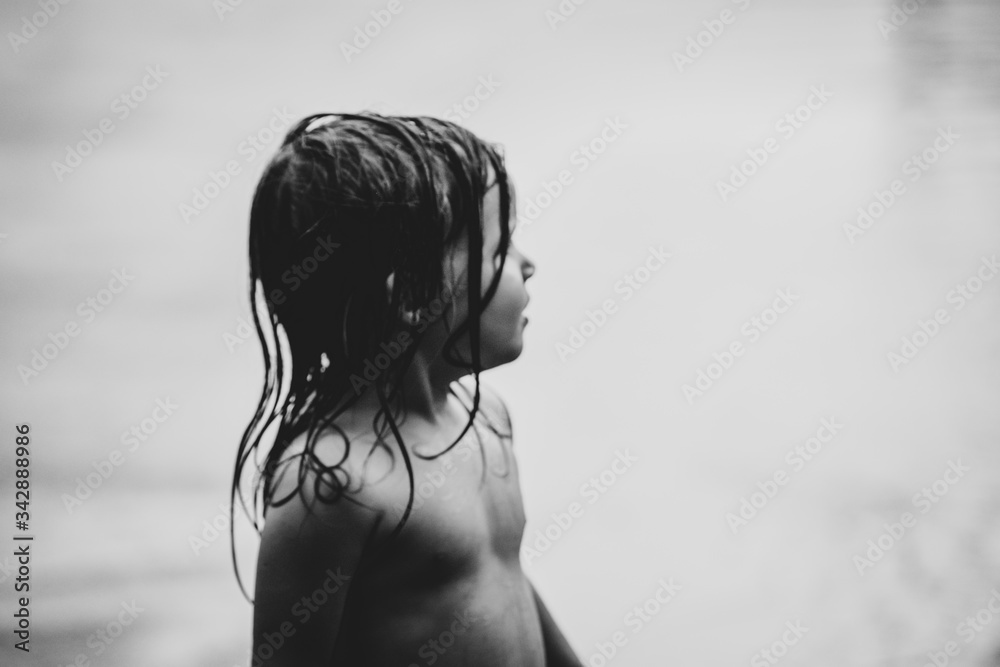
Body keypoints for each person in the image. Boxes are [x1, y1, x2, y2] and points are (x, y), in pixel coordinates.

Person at [230, 112, 583, 666]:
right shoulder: (332, 483)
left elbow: (501, 577)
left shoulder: (486, 420)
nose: (527, 264)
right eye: (500, 250)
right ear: (413, 296)